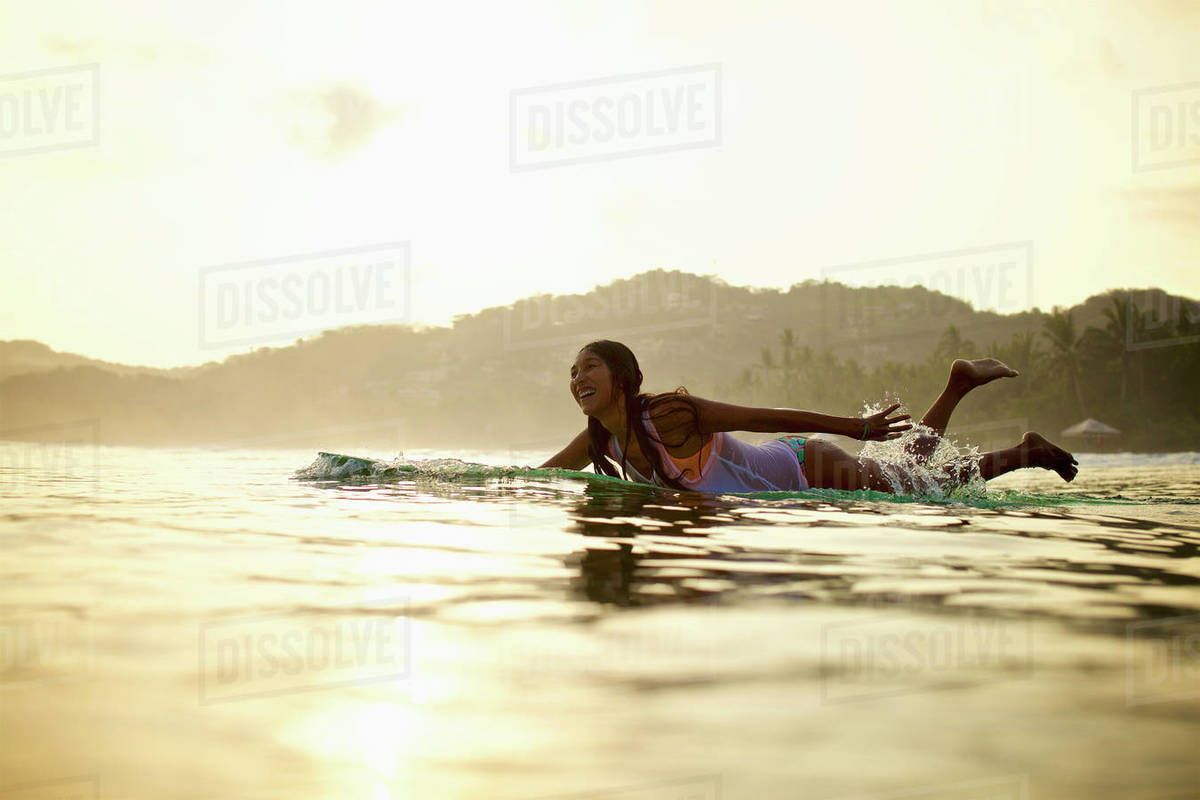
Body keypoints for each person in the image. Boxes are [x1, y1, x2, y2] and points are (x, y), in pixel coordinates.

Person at [539, 339, 1078, 494]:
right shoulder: (600, 440)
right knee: (909, 477)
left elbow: (765, 417)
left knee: (921, 488)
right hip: (790, 470)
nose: (577, 378)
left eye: (590, 366)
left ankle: (1023, 450)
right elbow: (538, 479)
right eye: (572, 371)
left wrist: (856, 427)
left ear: (623, 378)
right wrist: (458, 482)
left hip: (802, 465)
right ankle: (959, 384)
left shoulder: (668, 415)